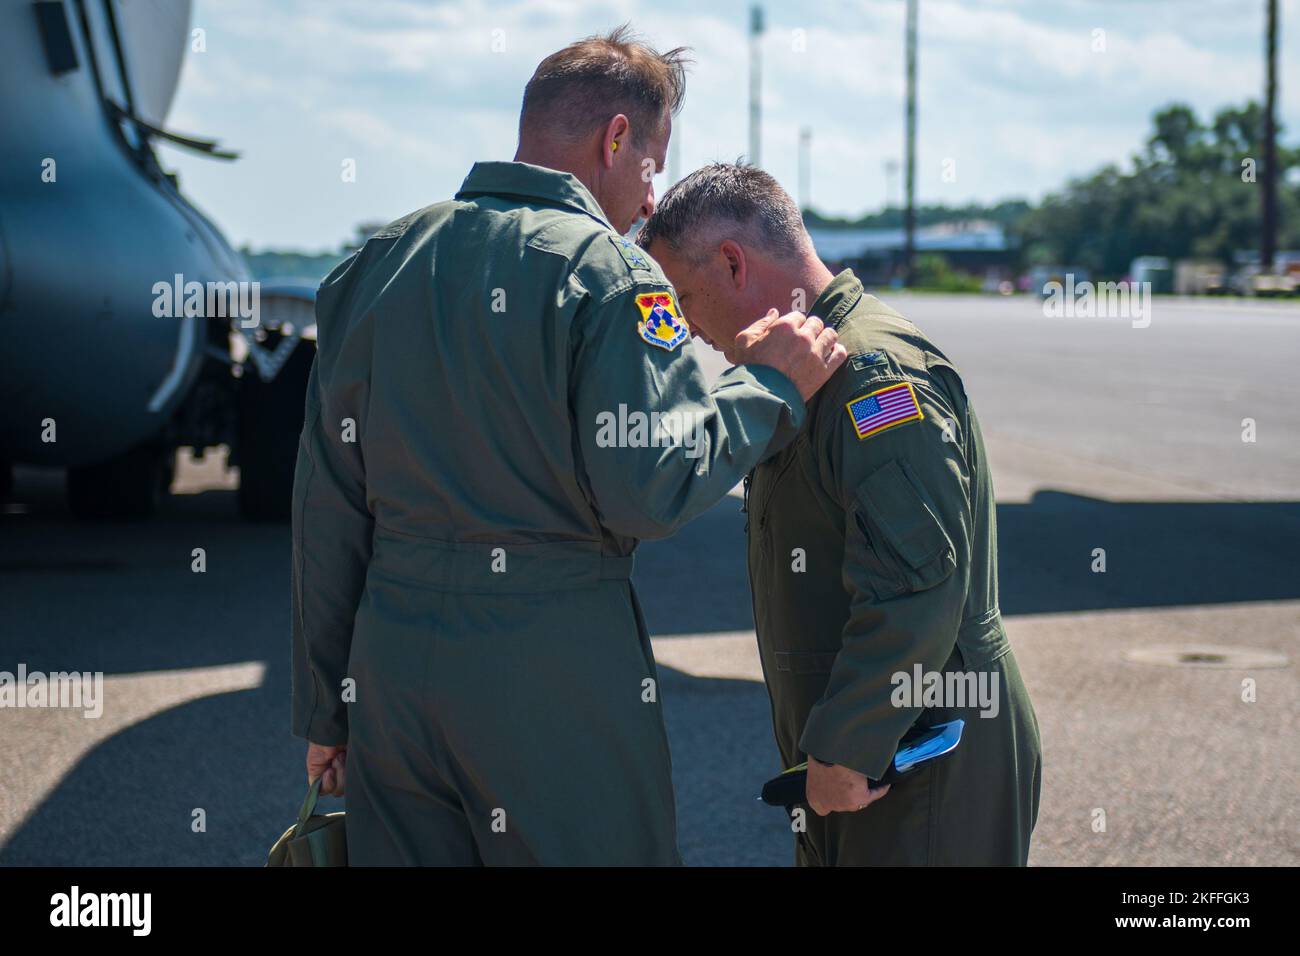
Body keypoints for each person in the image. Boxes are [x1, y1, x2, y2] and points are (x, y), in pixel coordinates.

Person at [289, 30, 846, 865]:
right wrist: (768, 386)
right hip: (548, 667)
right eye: (653, 166)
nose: (652, 199)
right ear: (615, 139)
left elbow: (325, 509)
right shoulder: (607, 273)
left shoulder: (375, 265)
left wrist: (330, 710)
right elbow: (647, 487)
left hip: (392, 666)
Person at [637, 163, 1042, 865]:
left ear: (734, 263)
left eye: (683, 298)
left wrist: (848, 742)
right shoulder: (800, 371)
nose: (686, 327)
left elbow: (917, 584)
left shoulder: (870, 376)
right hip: (871, 763)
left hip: (916, 761)